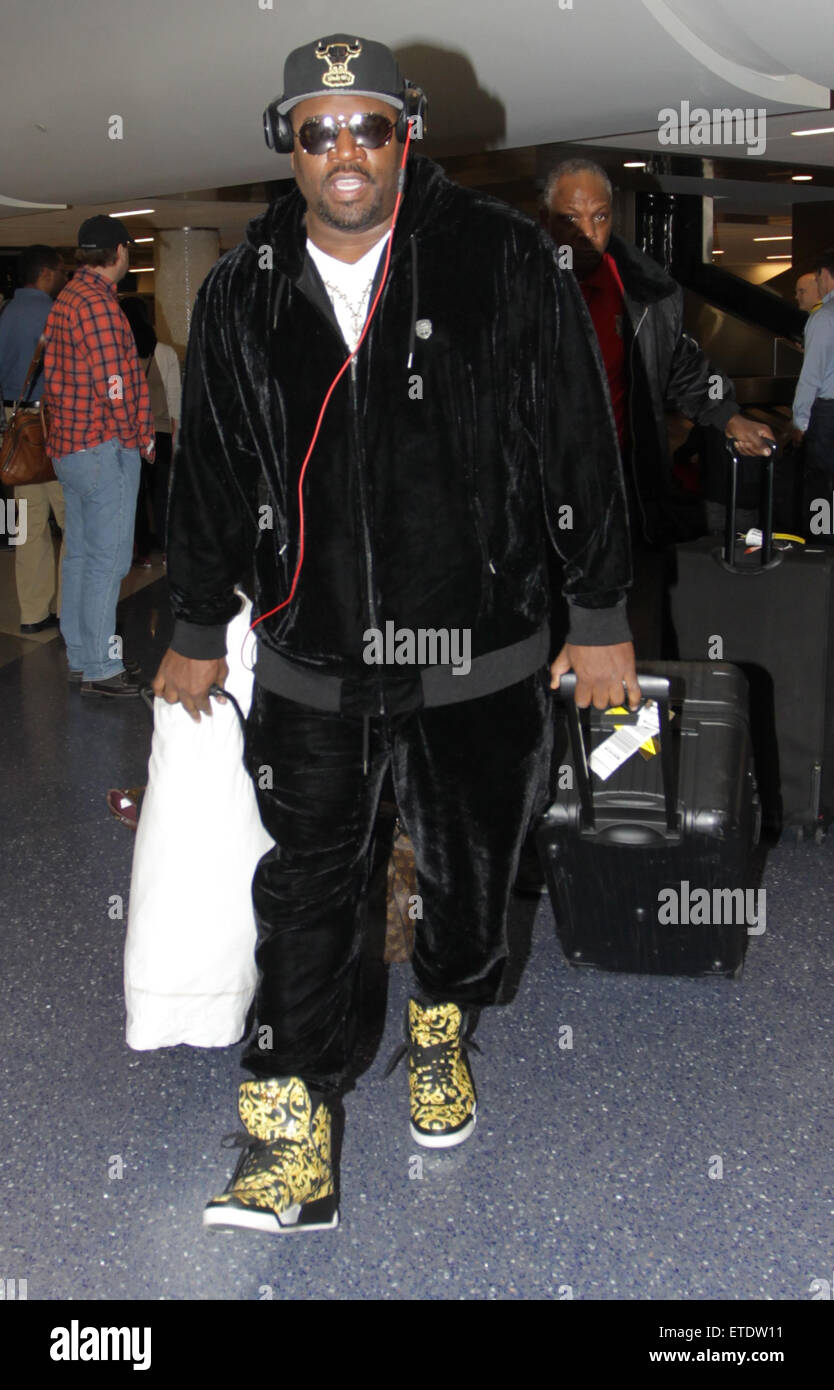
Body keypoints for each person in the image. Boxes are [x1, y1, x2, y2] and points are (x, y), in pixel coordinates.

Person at [153, 33, 638, 1235]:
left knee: (472, 883)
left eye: (367, 126)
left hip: (480, 655)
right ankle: (288, 1127)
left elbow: (575, 438)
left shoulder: (504, 260)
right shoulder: (241, 287)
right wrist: (195, 619)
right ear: (289, 146)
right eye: (317, 131)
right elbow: (209, 469)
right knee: (307, 890)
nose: (344, 153)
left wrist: (602, 612)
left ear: (405, 132)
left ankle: (439, 1029)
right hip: (312, 659)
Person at [542, 159, 775, 544]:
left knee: (613, 599)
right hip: (539, 491)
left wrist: (730, 417)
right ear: (545, 219)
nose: (587, 233)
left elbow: (682, 368)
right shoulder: (513, 293)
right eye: (570, 219)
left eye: (599, 217)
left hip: (619, 486)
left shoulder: (643, 296)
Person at [43, 217, 154, 696]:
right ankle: (103, 668)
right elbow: (116, 385)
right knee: (109, 561)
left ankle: (82, 654)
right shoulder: (99, 305)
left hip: (69, 450)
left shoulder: (66, 298)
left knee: (82, 555)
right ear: (120, 251)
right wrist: (140, 439)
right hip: (102, 448)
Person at [0, 245, 66, 632]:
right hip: (53, 426)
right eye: (60, 270)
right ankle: (67, 607)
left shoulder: (5, 314)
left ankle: (32, 613)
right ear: (46, 273)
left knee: (27, 525)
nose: (64, 277)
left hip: (17, 427)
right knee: (73, 521)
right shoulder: (56, 314)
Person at [120, 297, 181, 565]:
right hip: (160, 434)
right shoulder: (165, 352)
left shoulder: (119, 352)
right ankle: (168, 547)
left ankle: (141, 550)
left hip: (129, 435)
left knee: (135, 494)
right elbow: (175, 397)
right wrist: (176, 434)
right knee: (161, 494)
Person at [792, 248, 834, 488]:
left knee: (823, 487)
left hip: (828, 416)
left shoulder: (824, 317)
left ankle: (823, 526)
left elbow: (811, 376)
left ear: (825, 275)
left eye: (817, 279)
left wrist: (800, 422)